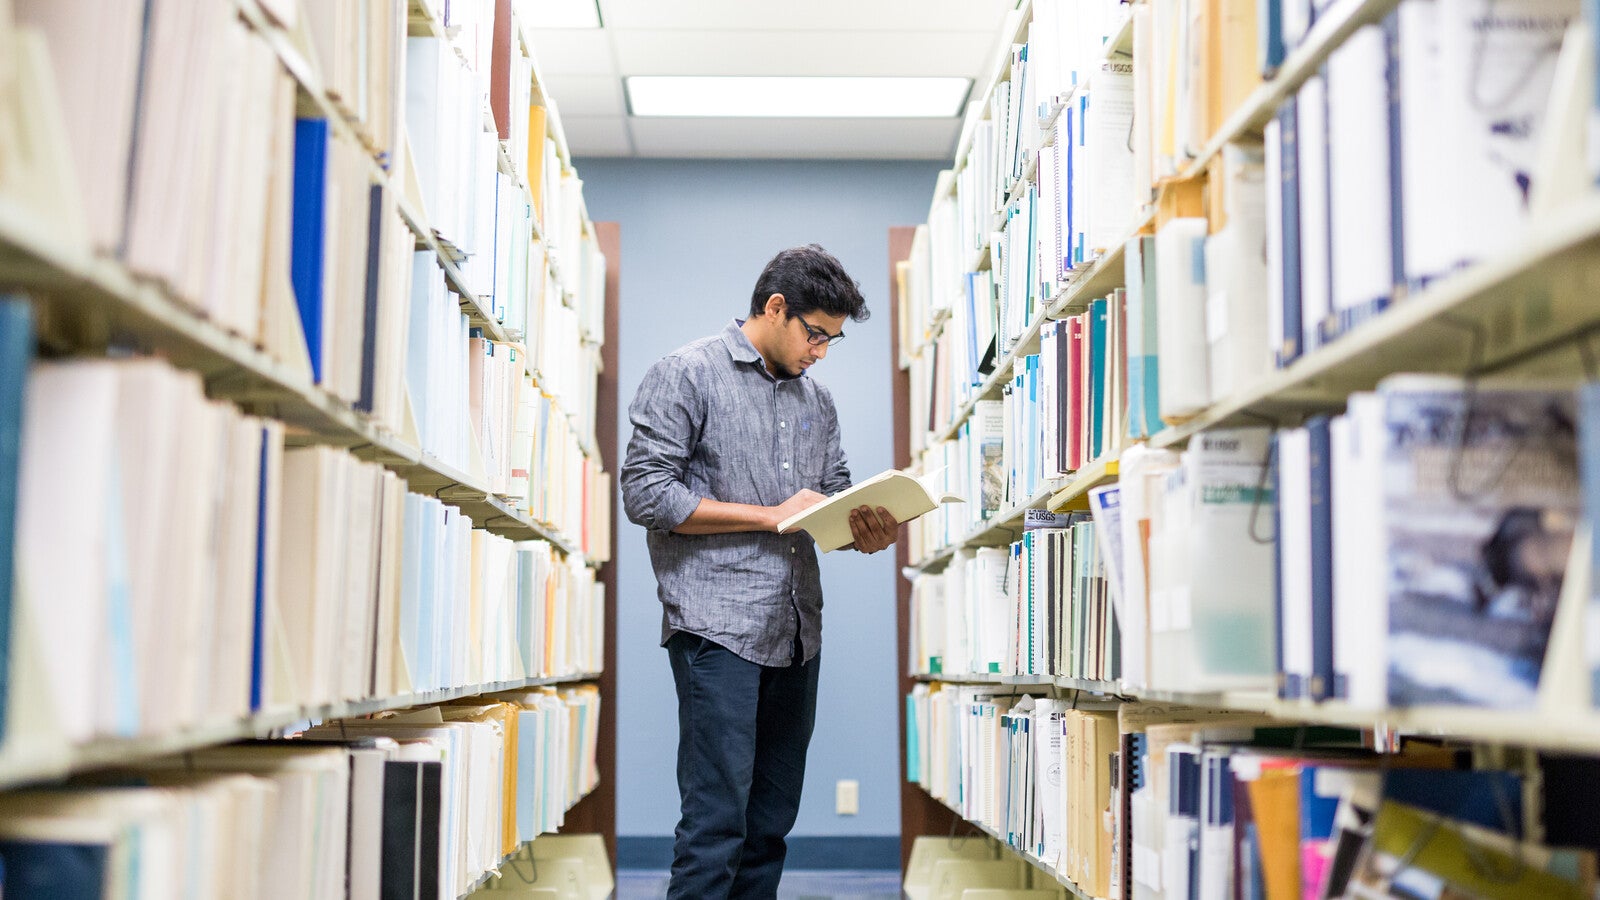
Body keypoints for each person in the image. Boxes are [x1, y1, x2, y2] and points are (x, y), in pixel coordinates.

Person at [619, 244, 898, 899]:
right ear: (775, 308)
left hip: (797, 630)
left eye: (833, 340)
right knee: (717, 824)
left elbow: (829, 496)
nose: (822, 351)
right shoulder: (684, 374)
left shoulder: (818, 403)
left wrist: (865, 530)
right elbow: (646, 494)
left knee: (769, 827)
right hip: (715, 628)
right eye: (815, 334)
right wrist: (769, 515)